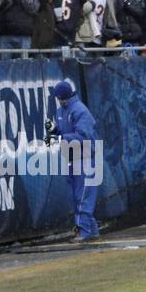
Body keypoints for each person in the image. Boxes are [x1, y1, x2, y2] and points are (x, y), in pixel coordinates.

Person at [46, 80, 100, 242]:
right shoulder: (61, 111)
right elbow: (64, 131)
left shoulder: (80, 111)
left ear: (64, 97)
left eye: (59, 97)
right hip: (72, 158)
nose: (58, 100)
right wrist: (54, 131)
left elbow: (84, 136)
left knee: (83, 196)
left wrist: (60, 137)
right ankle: (91, 230)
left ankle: (84, 232)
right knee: (76, 197)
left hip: (86, 158)